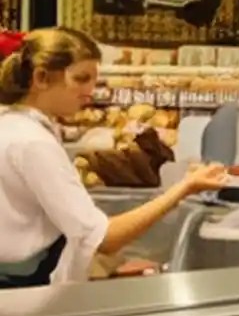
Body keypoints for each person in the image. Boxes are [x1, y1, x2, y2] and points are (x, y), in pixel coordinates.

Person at [0, 27, 226, 287]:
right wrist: (184, 188)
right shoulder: (34, 144)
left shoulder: (11, 126)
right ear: (41, 77)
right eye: (81, 78)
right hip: (21, 294)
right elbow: (104, 238)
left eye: (93, 80)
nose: (90, 91)